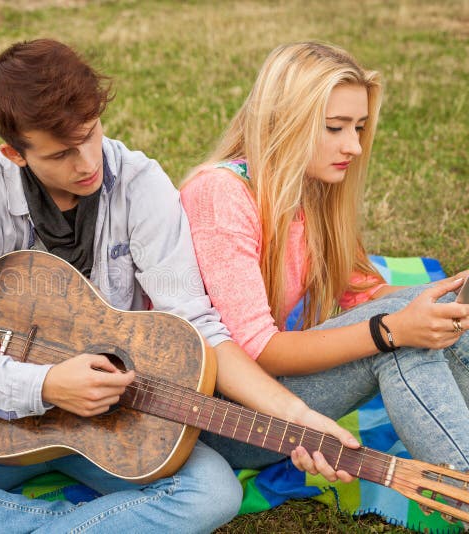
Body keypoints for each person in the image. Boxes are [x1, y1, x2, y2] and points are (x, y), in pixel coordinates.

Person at [0, 39, 360, 534]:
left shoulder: (140, 182)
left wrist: (298, 417)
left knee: (212, 493)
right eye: (61, 153)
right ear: (15, 152)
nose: (87, 163)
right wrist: (43, 386)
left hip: (119, 426)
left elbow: (199, 326)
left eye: (90, 134)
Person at [180, 41, 469, 471]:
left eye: (358, 127)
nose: (353, 146)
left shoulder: (312, 190)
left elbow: (362, 292)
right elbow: (259, 350)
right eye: (335, 127)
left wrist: (451, 291)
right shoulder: (220, 194)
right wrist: (389, 330)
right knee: (401, 341)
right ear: (284, 122)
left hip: (275, 399)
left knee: (434, 317)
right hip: (220, 420)